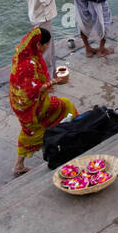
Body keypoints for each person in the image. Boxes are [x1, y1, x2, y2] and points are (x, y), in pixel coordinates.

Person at [8, 26, 77, 175]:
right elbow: (34, 90)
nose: (47, 47)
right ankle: (73, 139)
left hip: (19, 102)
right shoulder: (29, 64)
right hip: (30, 106)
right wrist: (55, 82)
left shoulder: (22, 54)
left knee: (30, 131)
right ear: (38, 45)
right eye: (46, 44)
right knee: (65, 106)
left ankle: (19, 165)